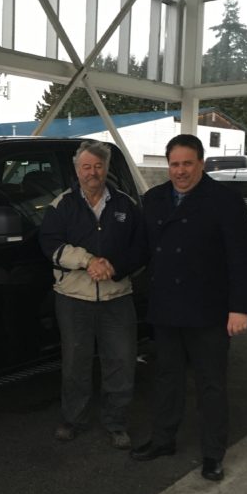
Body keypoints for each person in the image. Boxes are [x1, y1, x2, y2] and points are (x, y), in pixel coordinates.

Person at [130, 134, 247, 481]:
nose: (180, 171)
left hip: (209, 310)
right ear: (167, 166)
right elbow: (141, 250)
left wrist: (240, 308)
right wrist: (108, 265)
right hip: (167, 307)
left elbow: (241, 258)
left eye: (187, 163)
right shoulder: (154, 199)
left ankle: (213, 454)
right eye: (174, 164)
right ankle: (163, 440)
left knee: (210, 384)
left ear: (201, 163)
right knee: (167, 378)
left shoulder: (225, 200)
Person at [39, 141, 146, 449]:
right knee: (76, 363)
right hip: (74, 298)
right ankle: (73, 419)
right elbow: (50, 245)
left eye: (98, 166)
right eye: (86, 167)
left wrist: (114, 267)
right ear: (77, 170)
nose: (92, 172)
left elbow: (141, 248)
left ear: (106, 168)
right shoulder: (61, 205)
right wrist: (88, 261)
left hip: (117, 297)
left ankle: (116, 423)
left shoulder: (126, 205)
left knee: (121, 362)